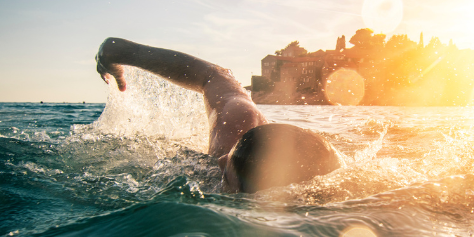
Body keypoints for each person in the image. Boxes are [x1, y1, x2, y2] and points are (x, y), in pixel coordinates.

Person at [95, 38, 344, 193]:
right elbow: (213, 76)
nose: (222, 161)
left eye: (225, 172)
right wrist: (119, 52)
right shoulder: (238, 122)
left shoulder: (211, 169)